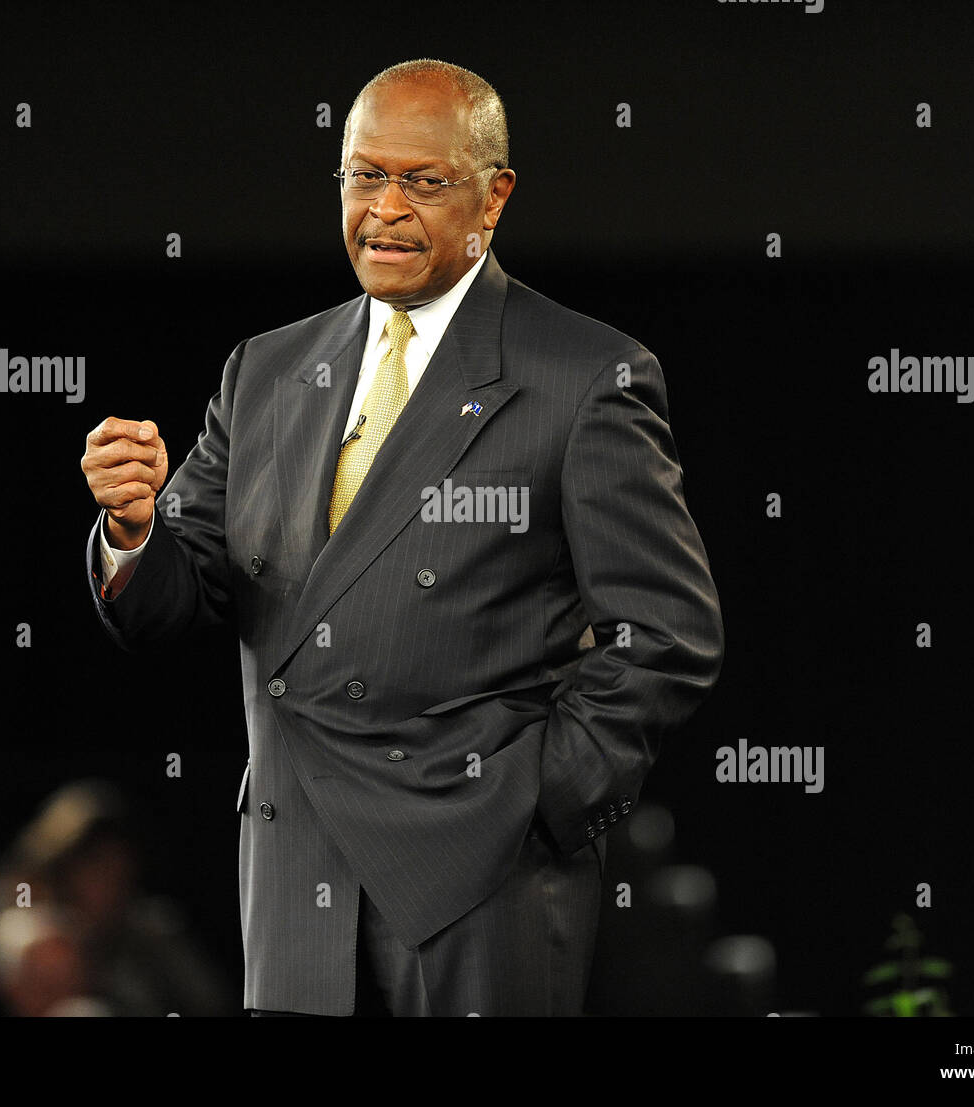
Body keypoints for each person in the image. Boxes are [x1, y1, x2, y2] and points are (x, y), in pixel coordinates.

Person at [79, 58, 724, 1016]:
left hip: (481, 885)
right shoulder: (265, 370)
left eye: (422, 182)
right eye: (364, 175)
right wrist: (133, 533)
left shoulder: (586, 375)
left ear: (494, 197)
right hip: (297, 876)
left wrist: (531, 807)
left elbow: (667, 636)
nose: (384, 208)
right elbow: (182, 597)